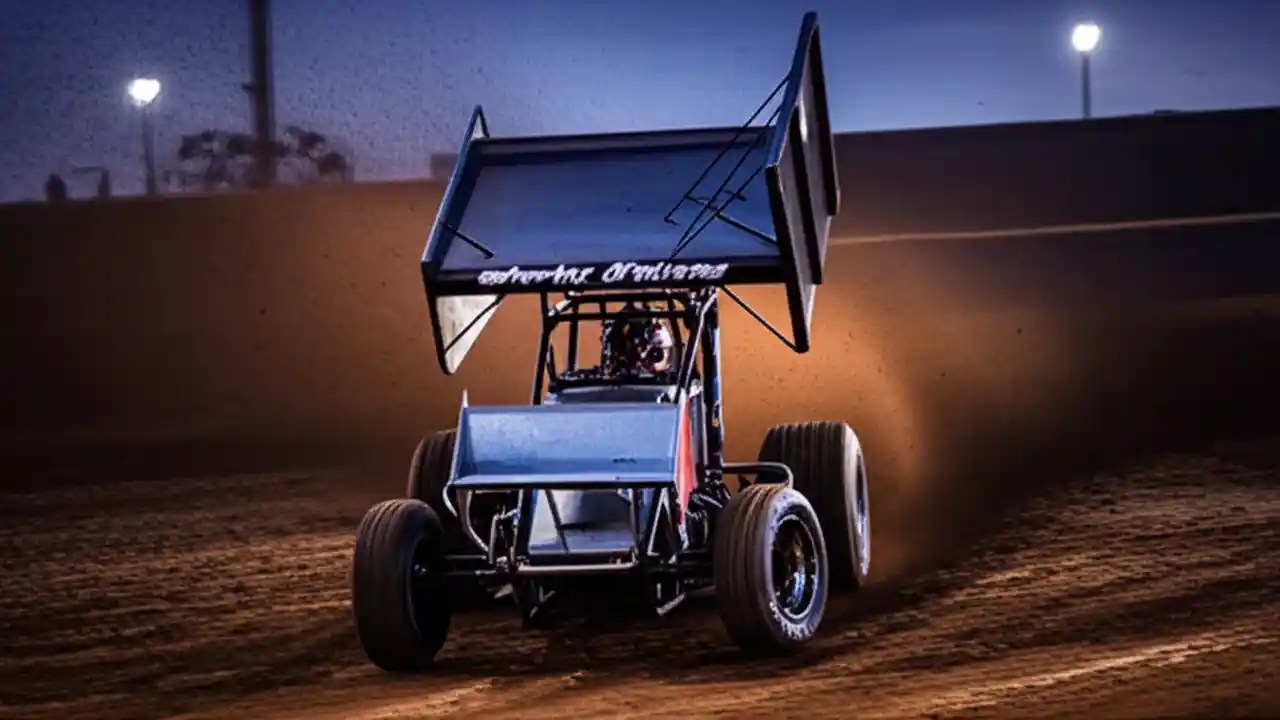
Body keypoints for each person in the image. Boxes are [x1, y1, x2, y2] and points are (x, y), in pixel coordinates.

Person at [600, 302, 674, 378]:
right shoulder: (619, 339)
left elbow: (665, 362)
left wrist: (650, 367)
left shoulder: (659, 333)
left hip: (650, 378)